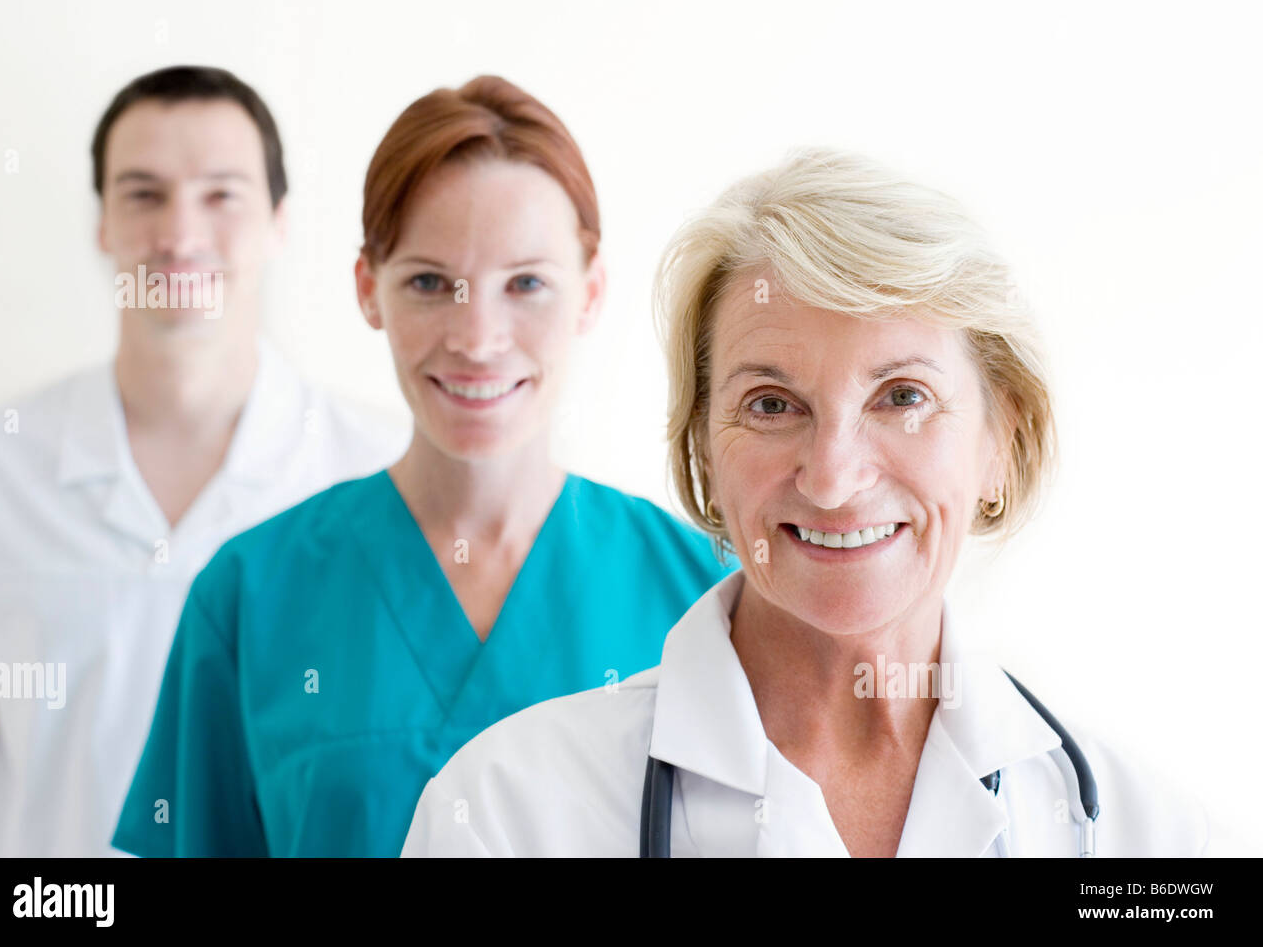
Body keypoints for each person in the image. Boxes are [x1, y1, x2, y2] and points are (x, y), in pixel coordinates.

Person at [401, 147, 1223, 857]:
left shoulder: (1143, 841)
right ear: (700, 448)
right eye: (770, 404)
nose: (832, 477)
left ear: (1001, 442)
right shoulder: (507, 819)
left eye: (902, 397)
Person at [111, 75, 736, 857]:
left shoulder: (709, 594)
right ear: (369, 288)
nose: (477, 337)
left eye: (527, 284)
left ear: (591, 292)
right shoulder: (251, 596)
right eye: (431, 283)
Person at [0, 65, 401, 857]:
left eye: (220, 194)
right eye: (143, 193)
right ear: (102, 224)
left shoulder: (380, 470)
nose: (179, 233)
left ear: (277, 222)